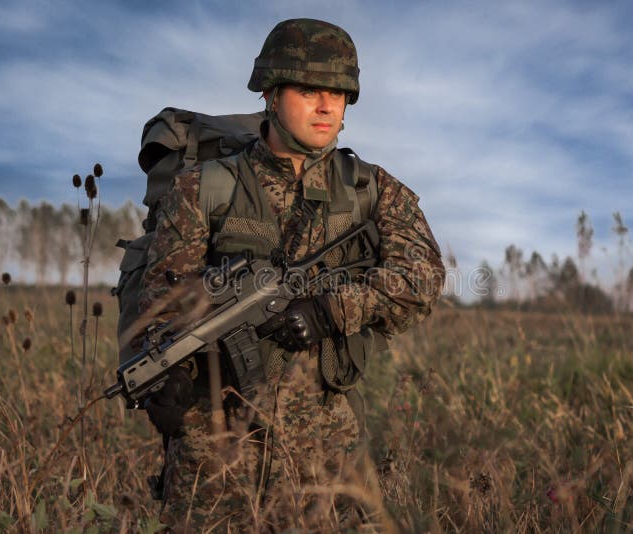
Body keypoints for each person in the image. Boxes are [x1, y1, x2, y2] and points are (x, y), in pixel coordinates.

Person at [139, 18, 444, 531]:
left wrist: (332, 310)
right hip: (214, 458)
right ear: (271, 94)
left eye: (337, 93)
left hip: (324, 452)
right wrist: (167, 378)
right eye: (308, 91)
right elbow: (161, 301)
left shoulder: (370, 189)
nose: (326, 106)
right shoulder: (204, 188)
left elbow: (424, 277)